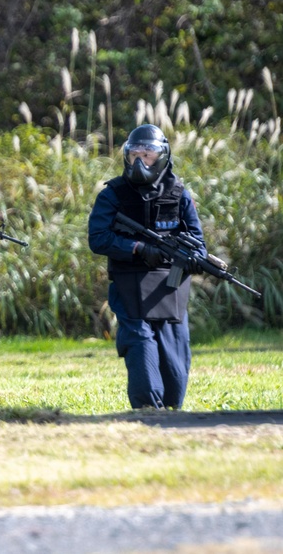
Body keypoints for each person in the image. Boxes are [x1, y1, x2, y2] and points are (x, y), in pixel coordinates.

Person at [88, 124, 205, 409]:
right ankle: (148, 411)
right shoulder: (112, 194)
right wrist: (137, 248)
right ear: (127, 156)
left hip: (170, 287)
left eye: (148, 154)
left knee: (175, 366)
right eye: (135, 155)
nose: (141, 161)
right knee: (141, 347)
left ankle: (171, 412)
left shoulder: (180, 194)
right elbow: (98, 238)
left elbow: (199, 242)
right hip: (130, 284)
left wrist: (194, 258)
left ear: (162, 156)